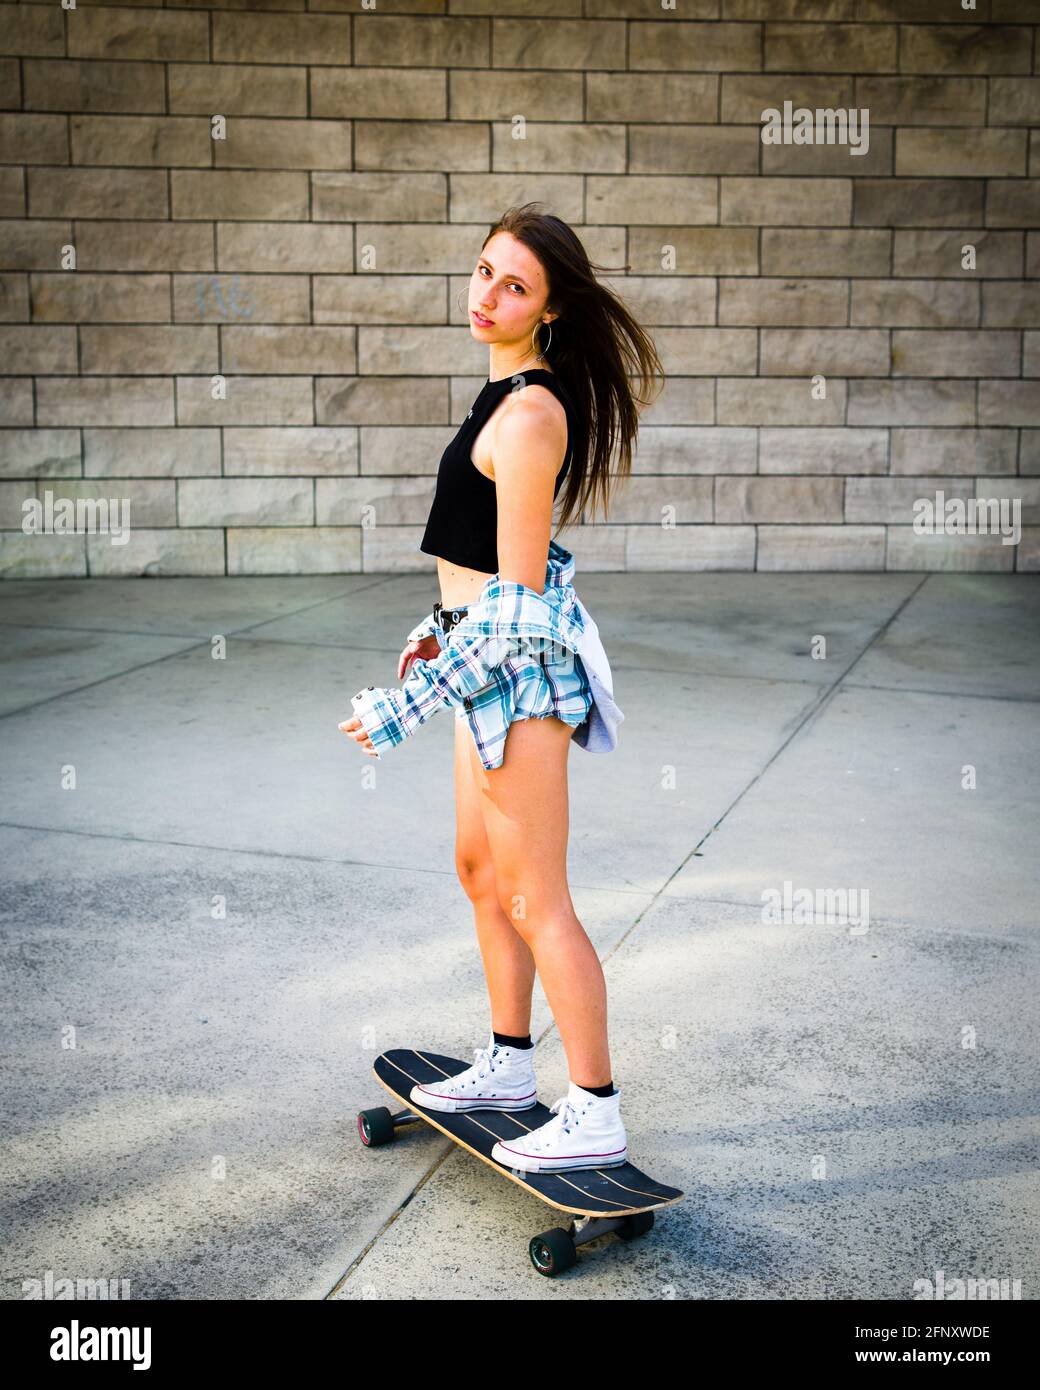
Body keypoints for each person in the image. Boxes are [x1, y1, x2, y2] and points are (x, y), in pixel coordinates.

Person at [340, 203, 662, 1173]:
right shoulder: (499, 396)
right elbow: (480, 568)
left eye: (513, 284)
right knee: (479, 872)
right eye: (482, 271)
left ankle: (594, 1108)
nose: (486, 295)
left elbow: (518, 608)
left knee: (536, 897)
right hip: (473, 658)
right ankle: (507, 1064)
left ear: (548, 306)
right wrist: (426, 638)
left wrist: (404, 707)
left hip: (514, 681)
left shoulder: (528, 414)